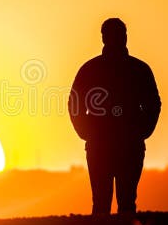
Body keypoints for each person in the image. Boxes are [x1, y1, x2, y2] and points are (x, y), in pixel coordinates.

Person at [68, 18, 161, 215]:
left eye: (121, 35)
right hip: (103, 145)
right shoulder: (93, 70)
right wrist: (86, 133)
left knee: (125, 202)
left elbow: (153, 104)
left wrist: (142, 133)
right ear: (104, 38)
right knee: (103, 203)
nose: (119, 39)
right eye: (114, 35)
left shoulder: (138, 70)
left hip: (126, 146)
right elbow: (75, 104)